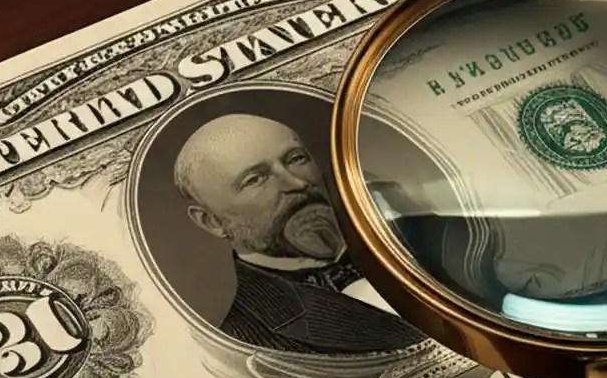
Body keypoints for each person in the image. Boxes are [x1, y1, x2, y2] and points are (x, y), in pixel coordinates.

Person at [173, 112, 425, 355]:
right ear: (212, 221)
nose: (297, 183)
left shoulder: (427, 236)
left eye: (296, 159)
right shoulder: (242, 346)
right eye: (255, 179)